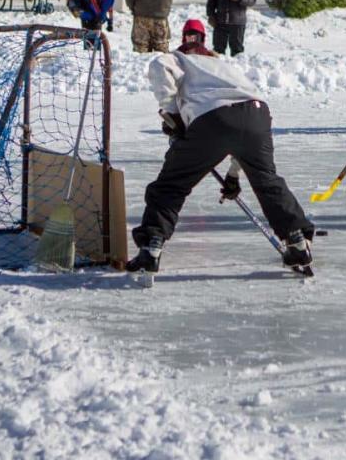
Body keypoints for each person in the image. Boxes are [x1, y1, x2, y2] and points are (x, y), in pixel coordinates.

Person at [125, 23, 316, 276]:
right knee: (267, 180)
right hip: (257, 114)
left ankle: (151, 248)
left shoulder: (180, 57)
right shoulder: (223, 65)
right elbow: (240, 131)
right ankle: (297, 242)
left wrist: (173, 114)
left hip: (212, 118)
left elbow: (159, 66)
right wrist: (234, 175)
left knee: (172, 184)